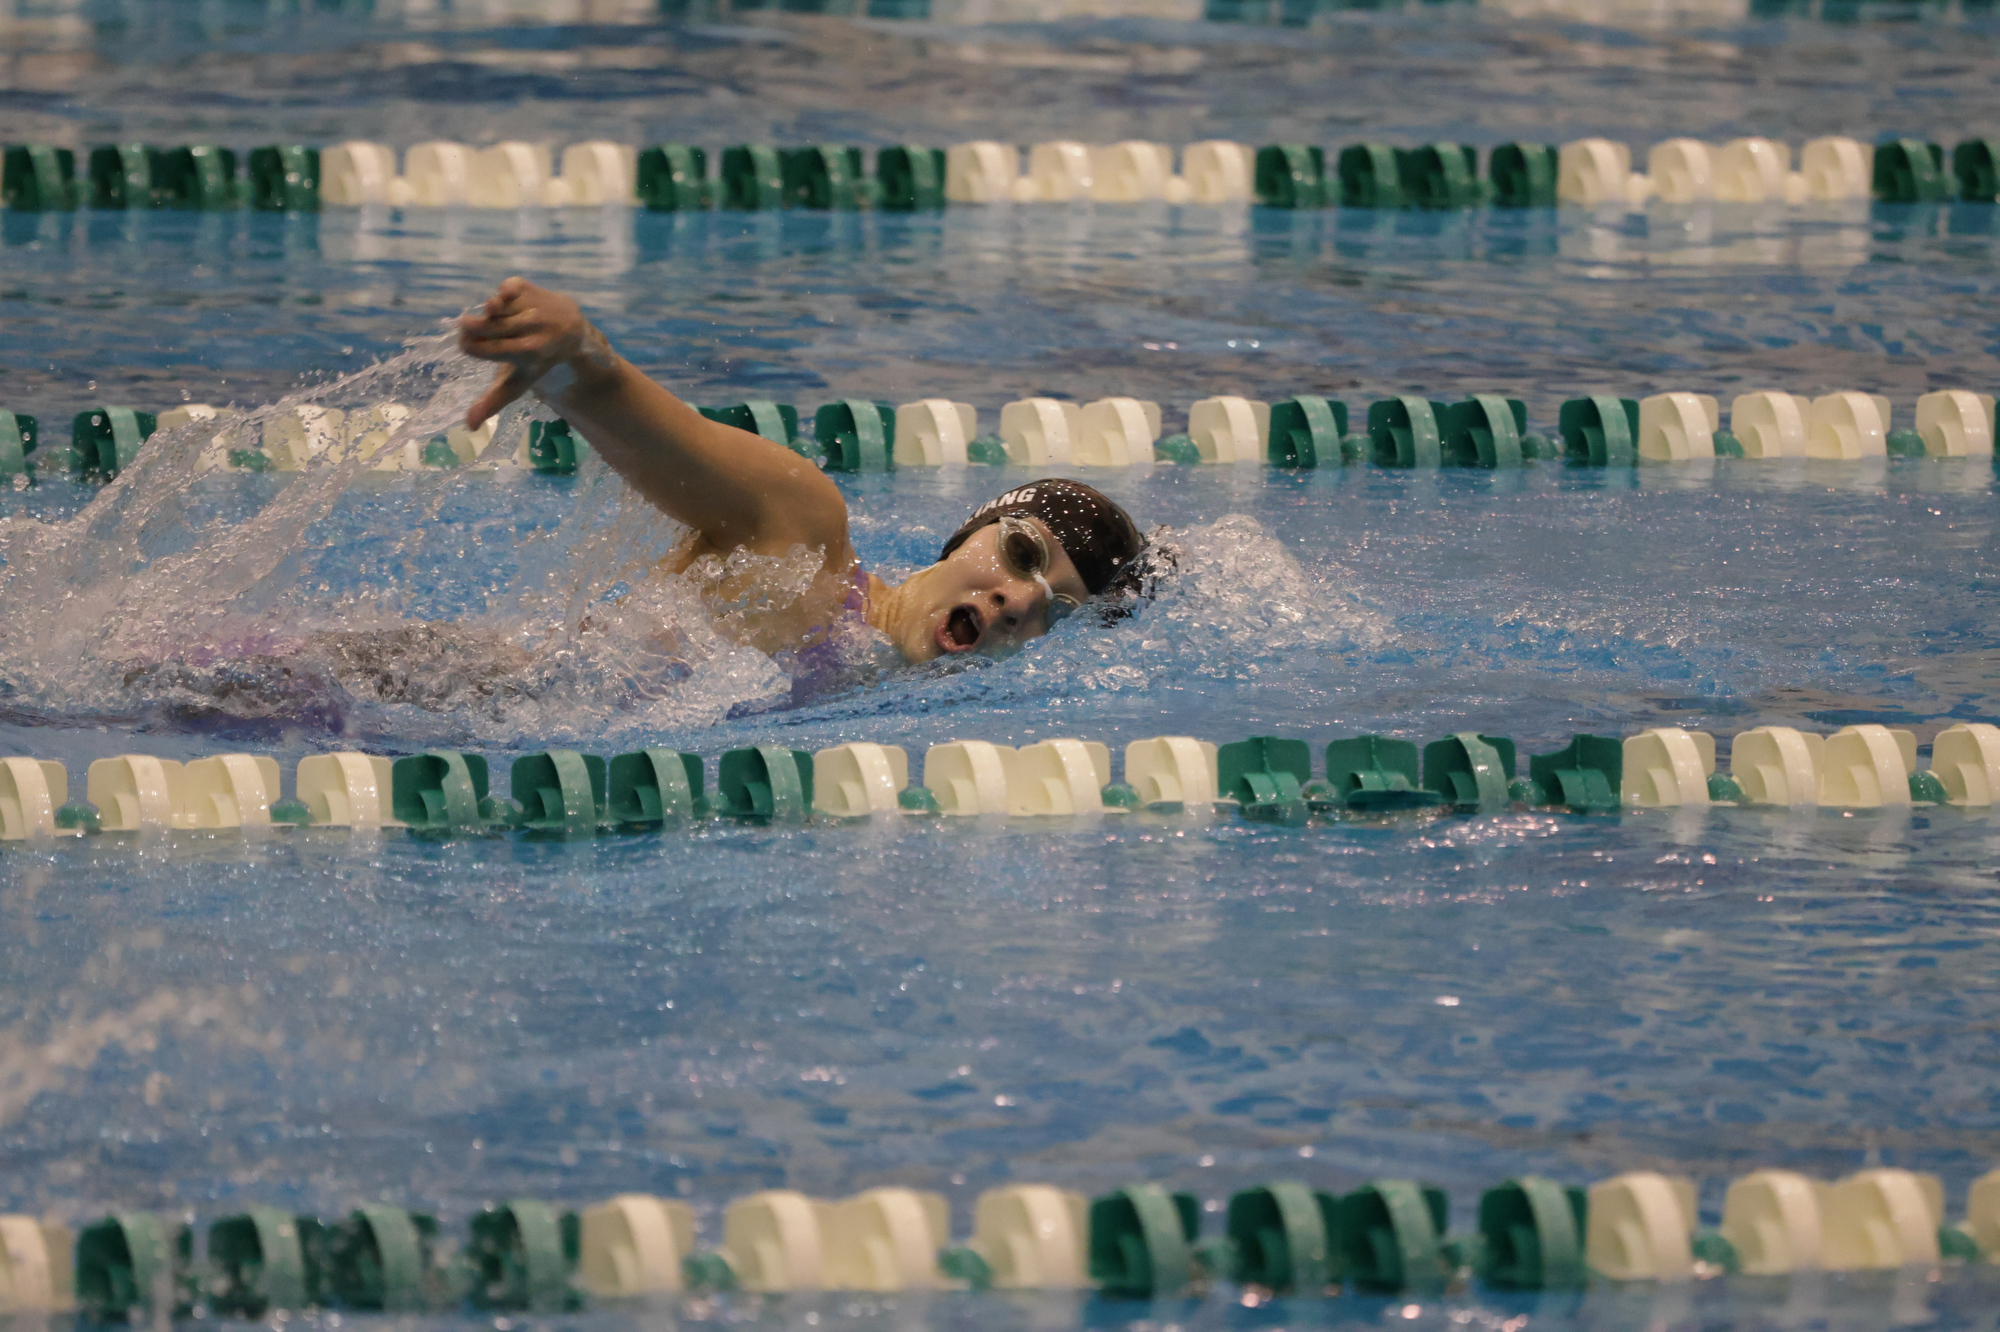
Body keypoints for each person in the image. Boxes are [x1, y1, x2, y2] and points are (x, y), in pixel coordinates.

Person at [457, 277, 1150, 674]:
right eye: (1022, 555)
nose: (1019, 601)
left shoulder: (871, 685)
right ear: (967, 534)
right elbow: (662, 435)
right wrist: (576, 361)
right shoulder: (807, 538)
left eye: (1055, 611)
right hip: (420, 687)